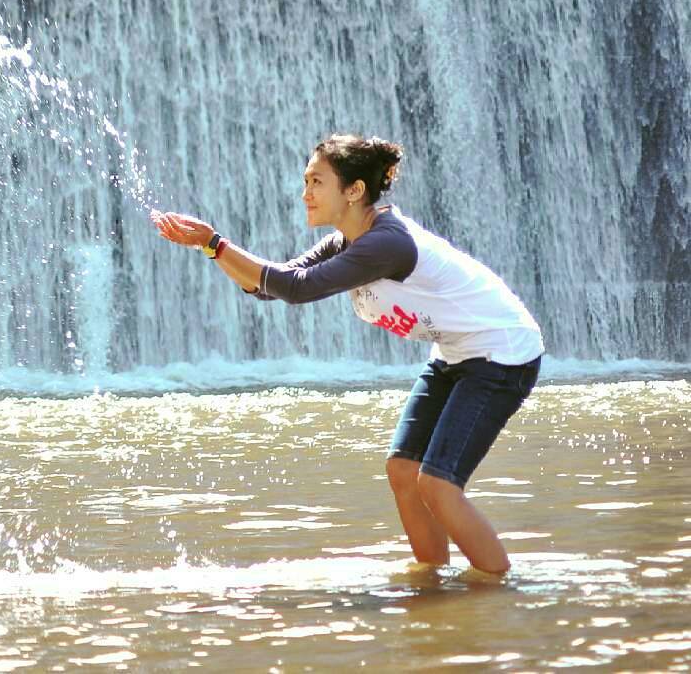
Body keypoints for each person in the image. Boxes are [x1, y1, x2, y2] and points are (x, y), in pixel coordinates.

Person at [151, 133, 543, 575]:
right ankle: (434, 586)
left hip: (502, 354)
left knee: (438, 484)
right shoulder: (348, 240)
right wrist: (209, 247)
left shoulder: (386, 243)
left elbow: (295, 288)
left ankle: (498, 590)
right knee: (403, 470)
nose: (306, 193)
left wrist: (218, 243)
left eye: (317, 182)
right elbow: (270, 286)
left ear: (354, 190)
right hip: (455, 353)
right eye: (306, 181)